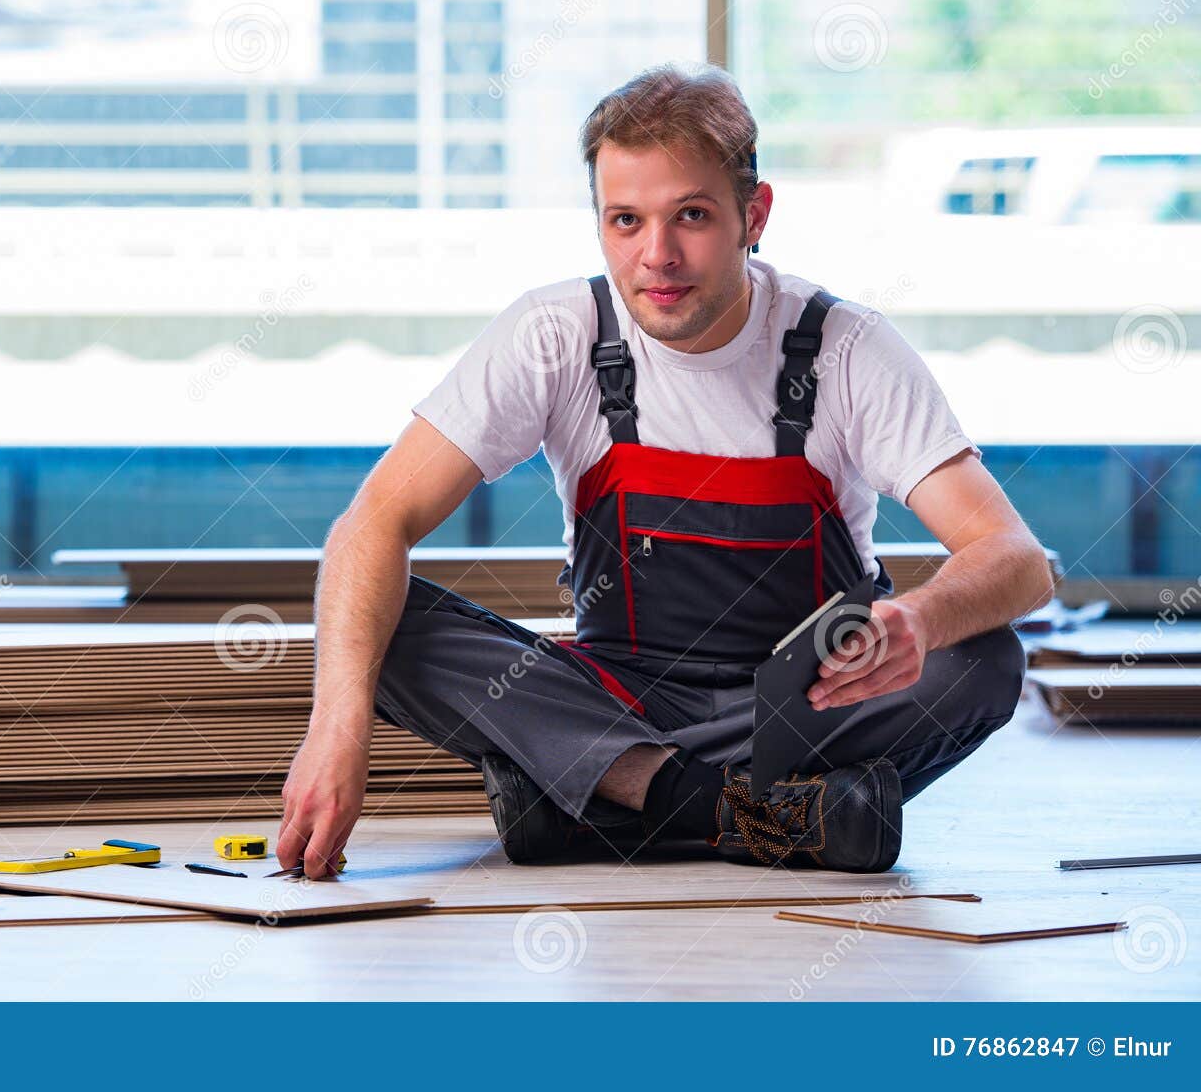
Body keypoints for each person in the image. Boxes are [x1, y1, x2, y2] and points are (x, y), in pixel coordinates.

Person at [276, 62, 1051, 879]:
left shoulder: (845, 349)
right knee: (380, 627)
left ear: (755, 214)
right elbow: (373, 524)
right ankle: (776, 820)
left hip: (809, 708)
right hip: (617, 706)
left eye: (692, 215)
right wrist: (337, 722)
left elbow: (1017, 559)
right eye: (625, 220)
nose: (657, 256)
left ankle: (598, 808)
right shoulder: (554, 335)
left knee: (987, 660)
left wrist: (920, 621)